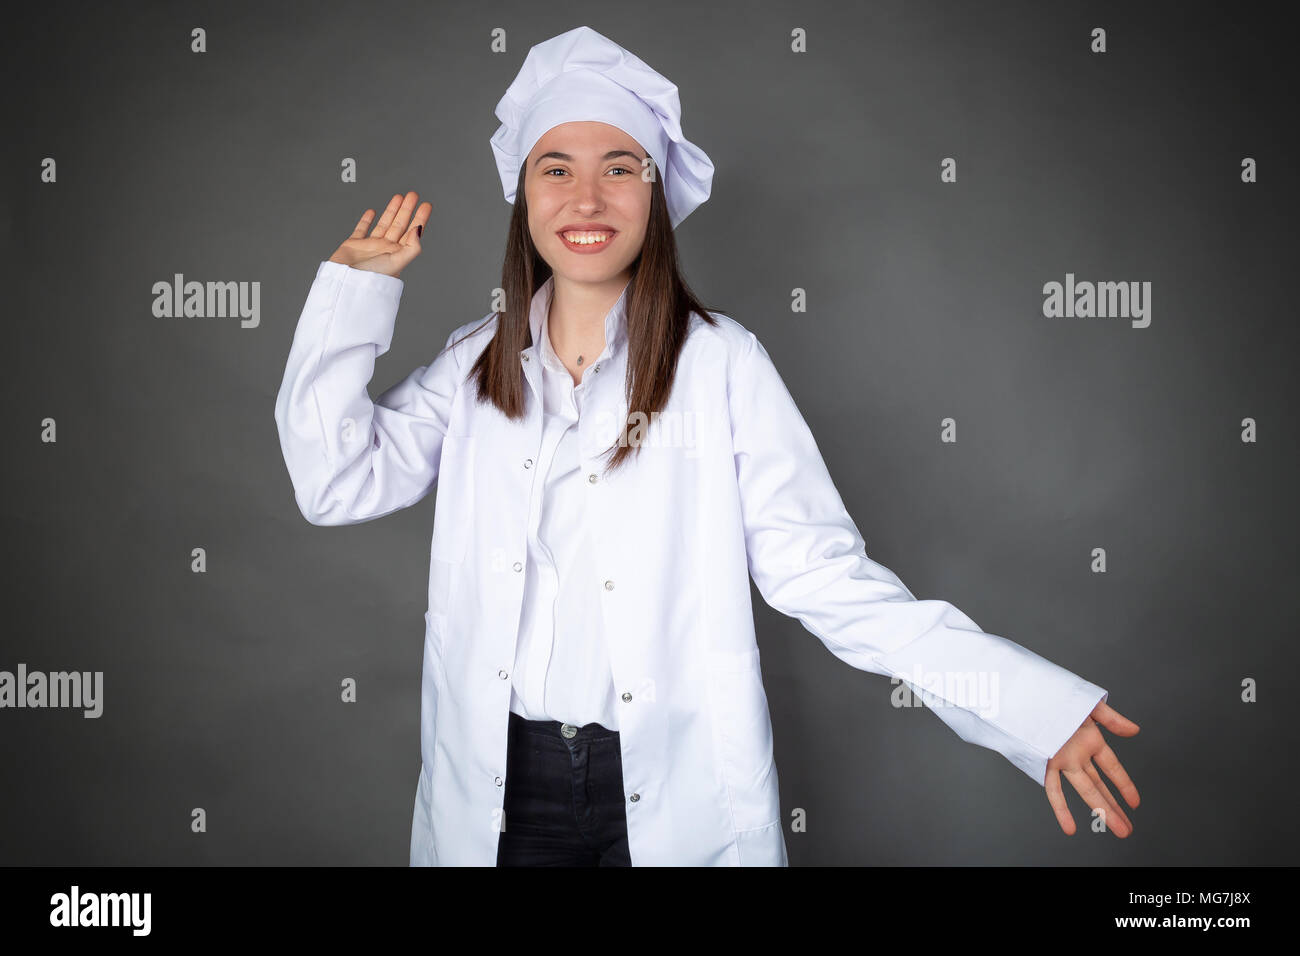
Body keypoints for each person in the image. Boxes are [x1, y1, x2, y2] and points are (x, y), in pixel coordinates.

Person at [273, 25, 1140, 867]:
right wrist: (353, 297)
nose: (586, 199)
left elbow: (825, 577)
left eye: (620, 168)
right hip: (500, 789)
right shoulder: (472, 367)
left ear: (654, 192)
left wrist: (1029, 707)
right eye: (557, 170)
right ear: (525, 195)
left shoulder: (722, 365)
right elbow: (336, 482)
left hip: (672, 789)